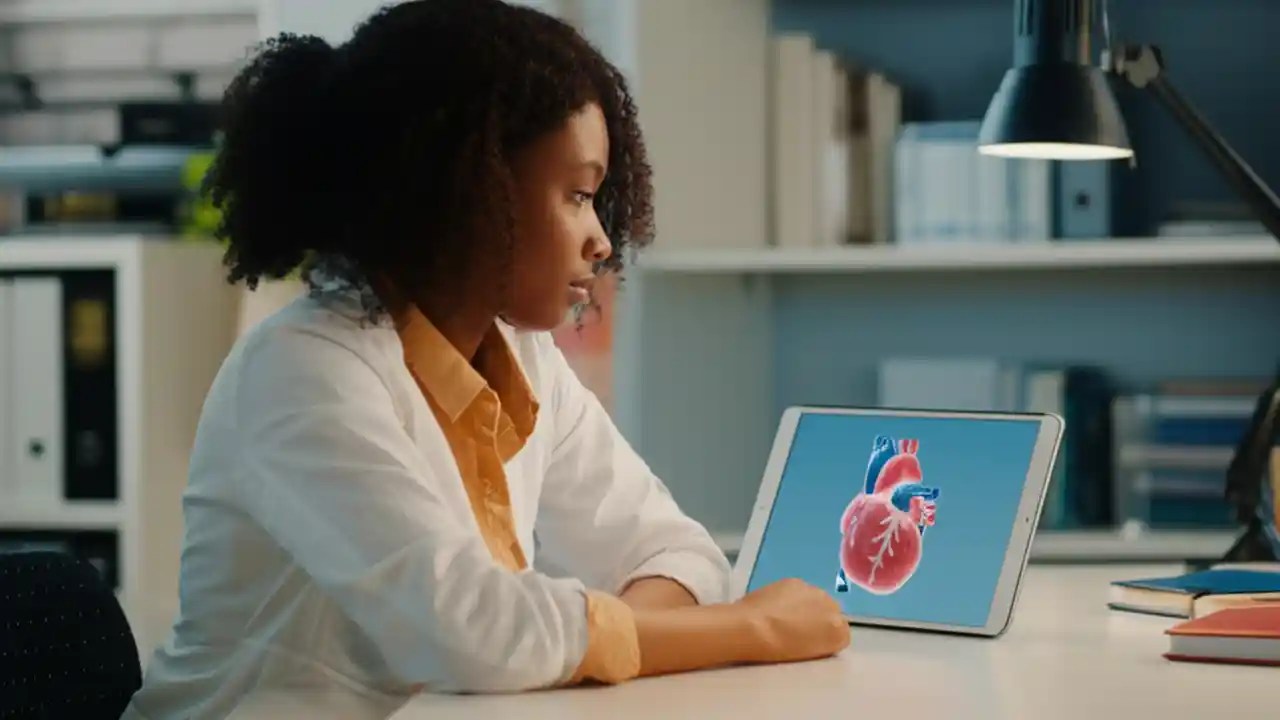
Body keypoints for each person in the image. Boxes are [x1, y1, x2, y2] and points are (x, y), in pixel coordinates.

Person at [122, 1, 848, 717]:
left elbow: (678, 555)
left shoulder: (524, 362)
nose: (600, 239)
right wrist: (750, 630)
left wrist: (587, 642)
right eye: (576, 195)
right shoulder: (301, 371)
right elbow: (472, 632)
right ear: (466, 191)